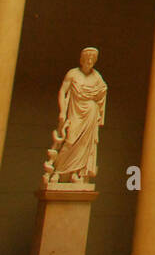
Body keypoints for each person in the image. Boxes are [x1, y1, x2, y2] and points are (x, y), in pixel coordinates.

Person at [43, 47, 107, 185]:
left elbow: (102, 92)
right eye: (87, 58)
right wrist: (62, 111)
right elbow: (62, 92)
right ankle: (58, 172)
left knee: (84, 145)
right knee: (70, 140)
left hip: (90, 113)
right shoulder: (73, 74)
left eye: (92, 59)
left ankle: (76, 173)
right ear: (82, 59)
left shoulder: (97, 77)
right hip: (75, 112)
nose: (89, 61)